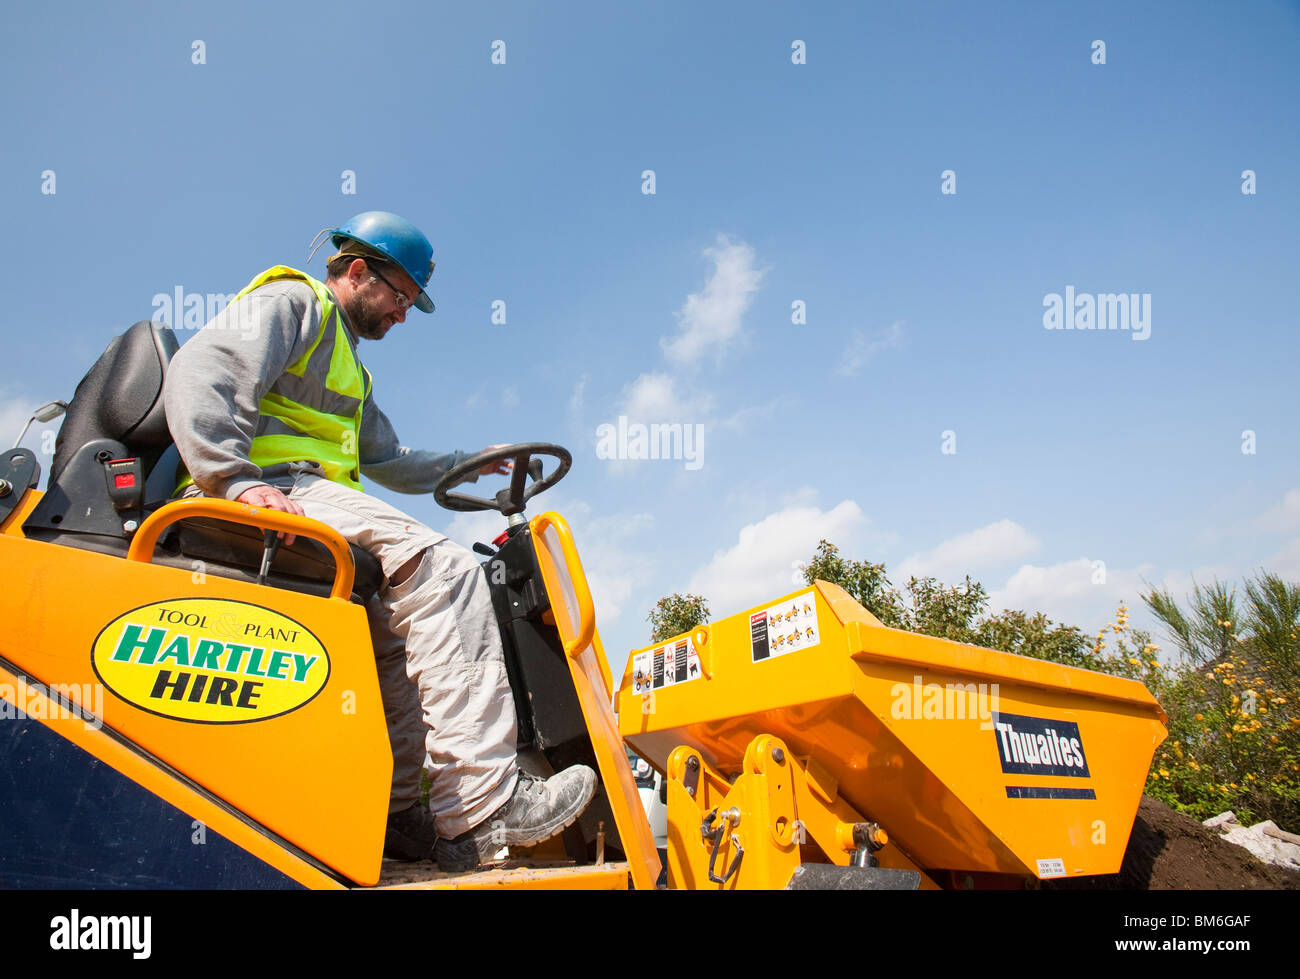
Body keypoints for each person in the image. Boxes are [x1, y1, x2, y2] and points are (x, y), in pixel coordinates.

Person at [163, 210, 595, 871]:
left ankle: (397, 818)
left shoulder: (352, 370)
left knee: (393, 643)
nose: (400, 315)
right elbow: (202, 366)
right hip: (270, 491)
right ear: (358, 270)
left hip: (306, 504)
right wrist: (234, 479)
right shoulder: (294, 303)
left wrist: (464, 462)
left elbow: (389, 458)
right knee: (444, 569)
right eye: (399, 296)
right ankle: (482, 806)